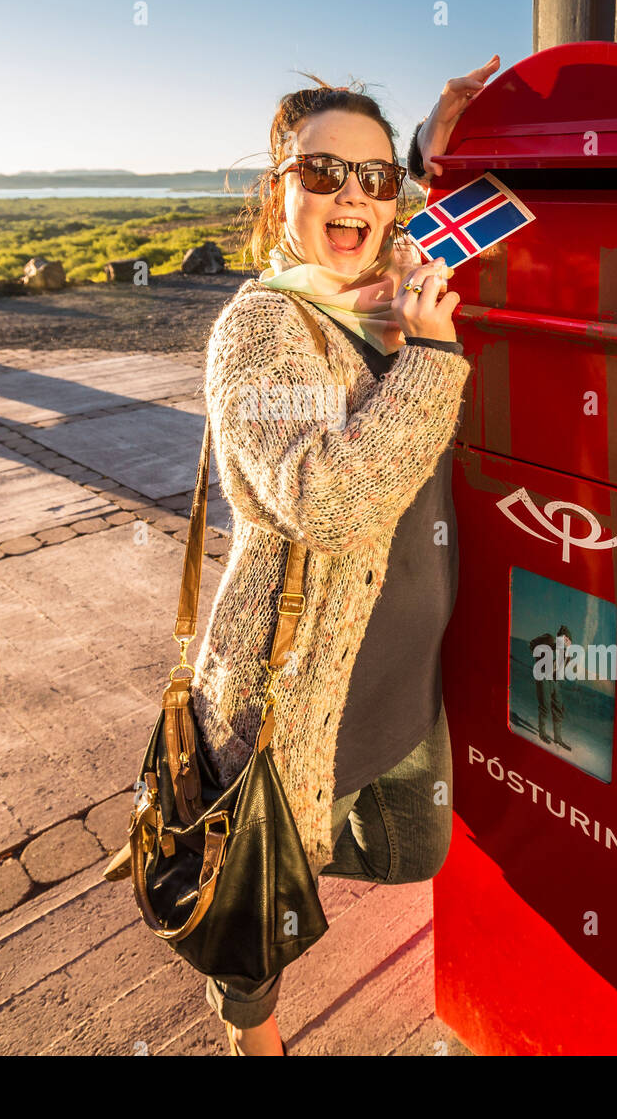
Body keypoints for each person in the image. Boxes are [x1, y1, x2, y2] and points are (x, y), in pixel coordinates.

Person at [190, 56, 500, 1055]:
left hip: (403, 687)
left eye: (375, 177)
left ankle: (314, 844)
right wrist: (431, 363)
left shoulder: (383, 291)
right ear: (281, 186)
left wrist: (432, 151)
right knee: (261, 904)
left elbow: (412, 228)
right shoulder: (264, 331)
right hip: (294, 693)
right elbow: (326, 495)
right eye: (324, 172)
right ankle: (253, 1031)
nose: (353, 197)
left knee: (415, 848)